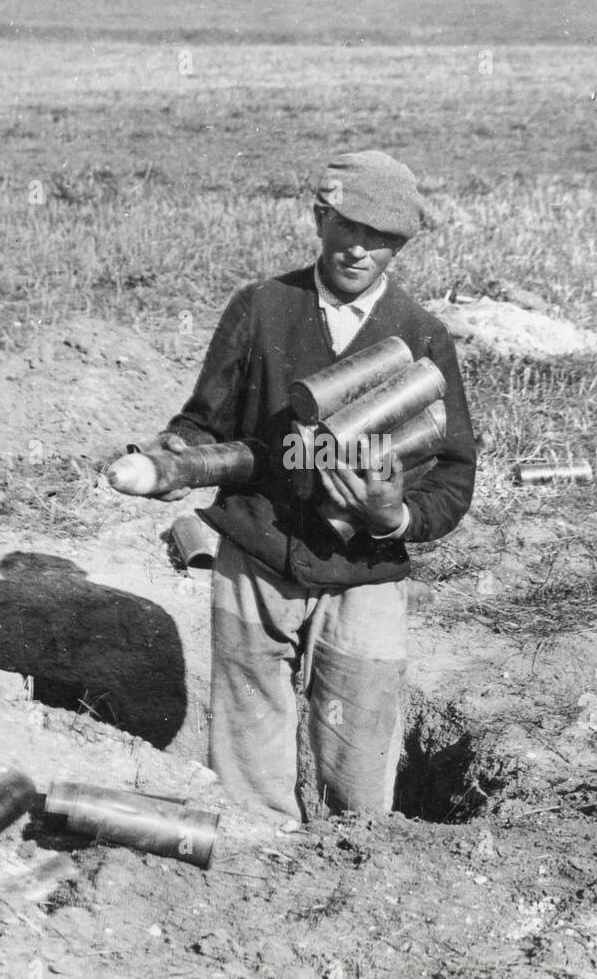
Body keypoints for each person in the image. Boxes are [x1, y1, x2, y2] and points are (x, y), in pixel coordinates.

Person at [145, 149, 476, 824]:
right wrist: (173, 457)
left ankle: (349, 891)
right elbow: (203, 420)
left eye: (380, 238)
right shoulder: (261, 309)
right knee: (247, 772)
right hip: (256, 561)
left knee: (358, 781)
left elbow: (455, 471)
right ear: (318, 218)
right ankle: (256, 878)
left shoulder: (421, 336)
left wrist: (396, 517)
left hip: (366, 574)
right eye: (345, 226)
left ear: (402, 243)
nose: (358, 248)